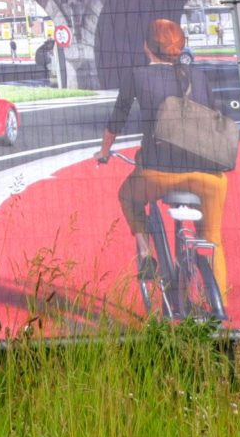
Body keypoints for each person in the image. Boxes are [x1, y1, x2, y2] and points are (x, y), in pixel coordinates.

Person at [93, 17, 231, 306]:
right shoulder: (199, 77)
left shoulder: (137, 76)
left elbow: (116, 119)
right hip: (208, 177)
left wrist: (105, 152)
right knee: (213, 240)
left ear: (147, 47)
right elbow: (215, 122)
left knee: (127, 196)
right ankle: (218, 309)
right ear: (181, 46)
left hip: (157, 173)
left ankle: (145, 253)